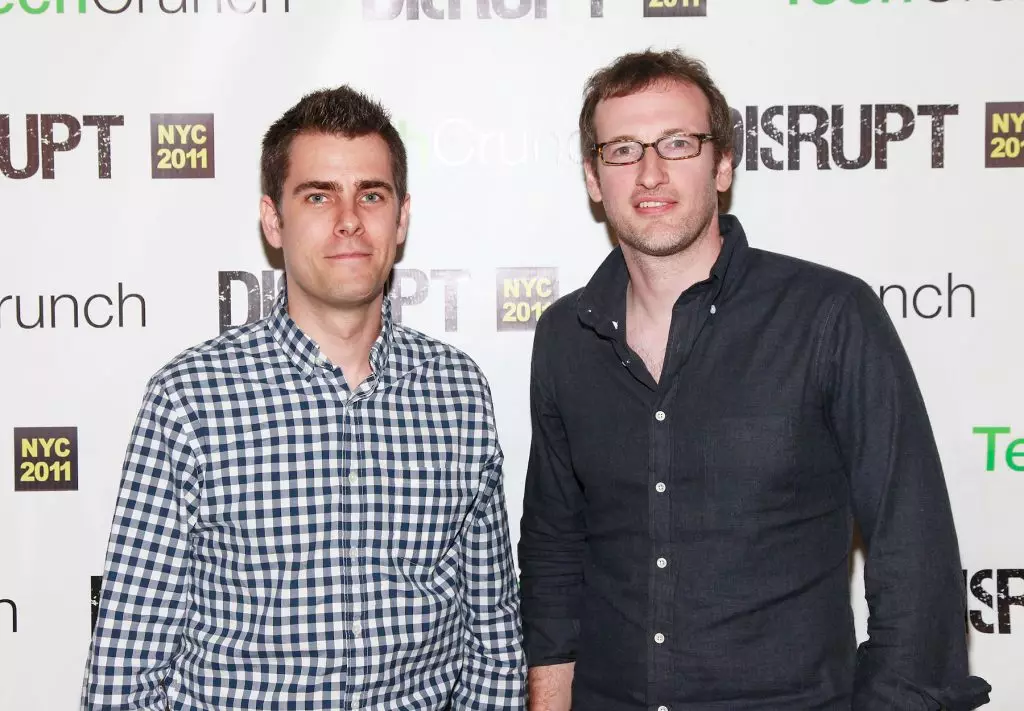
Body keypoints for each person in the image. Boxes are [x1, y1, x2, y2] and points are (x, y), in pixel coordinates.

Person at [517, 49, 990, 711]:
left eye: (678, 143)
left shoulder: (829, 315)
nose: (650, 171)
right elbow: (554, 547)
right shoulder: (566, 334)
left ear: (724, 164)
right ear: (595, 178)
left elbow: (912, 546)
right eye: (622, 149)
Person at [82, 85, 525, 710]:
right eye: (318, 196)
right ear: (273, 220)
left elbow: (493, 634)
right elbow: (129, 660)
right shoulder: (191, 399)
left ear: (400, 219)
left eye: (371, 195)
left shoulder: (457, 391)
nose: (349, 220)